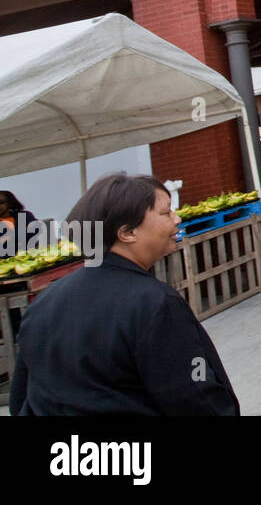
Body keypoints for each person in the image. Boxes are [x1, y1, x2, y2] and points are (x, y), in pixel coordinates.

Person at [10, 173, 239, 415]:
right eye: (166, 212)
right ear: (127, 232)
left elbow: (22, 397)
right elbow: (196, 395)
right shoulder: (154, 303)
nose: (177, 218)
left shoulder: (44, 302)